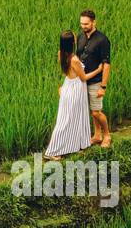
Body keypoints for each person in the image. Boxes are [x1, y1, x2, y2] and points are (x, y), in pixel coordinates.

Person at [45, 30, 94, 159]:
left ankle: (75, 145)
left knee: (72, 118)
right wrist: (99, 69)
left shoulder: (61, 54)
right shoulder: (74, 60)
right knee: (69, 120)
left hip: (68, 86)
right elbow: (83, 77)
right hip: (76, 90)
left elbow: (66, 72)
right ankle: (53, 151)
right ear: (72, 42)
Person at [77, 9, 111, 149]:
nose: (83, 26)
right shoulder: (81, 36)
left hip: (95, 81)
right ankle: (97, 135)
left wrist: (103, 86)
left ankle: (107, 135)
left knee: (96, 111)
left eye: (86, 24)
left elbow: (106, 64)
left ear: (93, 22)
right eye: (81, 24)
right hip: (83, 81)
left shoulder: (102, 40)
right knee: (91, 111)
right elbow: (77, 57)